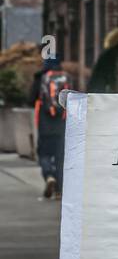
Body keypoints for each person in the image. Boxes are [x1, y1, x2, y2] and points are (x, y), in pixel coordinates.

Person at [29, 56, 71, 199]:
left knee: (44, 154)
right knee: (60, 157)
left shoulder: (41, 79)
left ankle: (49, 177)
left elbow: (30, 100)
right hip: (62, 125)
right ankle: (59, 190)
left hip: (45, 125)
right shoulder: (66, 78)